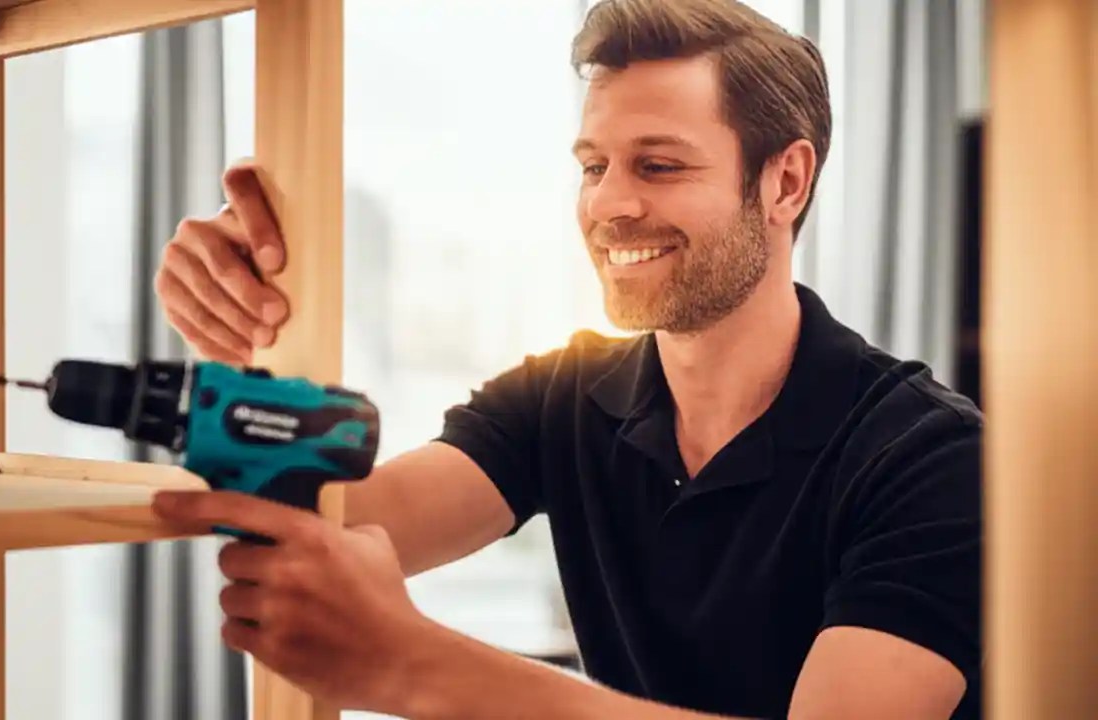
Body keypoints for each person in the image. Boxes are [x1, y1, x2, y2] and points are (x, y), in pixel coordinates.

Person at [149, 0, 984, 718]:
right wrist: (248, 318)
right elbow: (332, 520)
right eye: (594, 166)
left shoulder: (931, 458)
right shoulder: (561, 397)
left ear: (786, 182)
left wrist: (416, 665)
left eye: (658, 165)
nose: (608, 203)